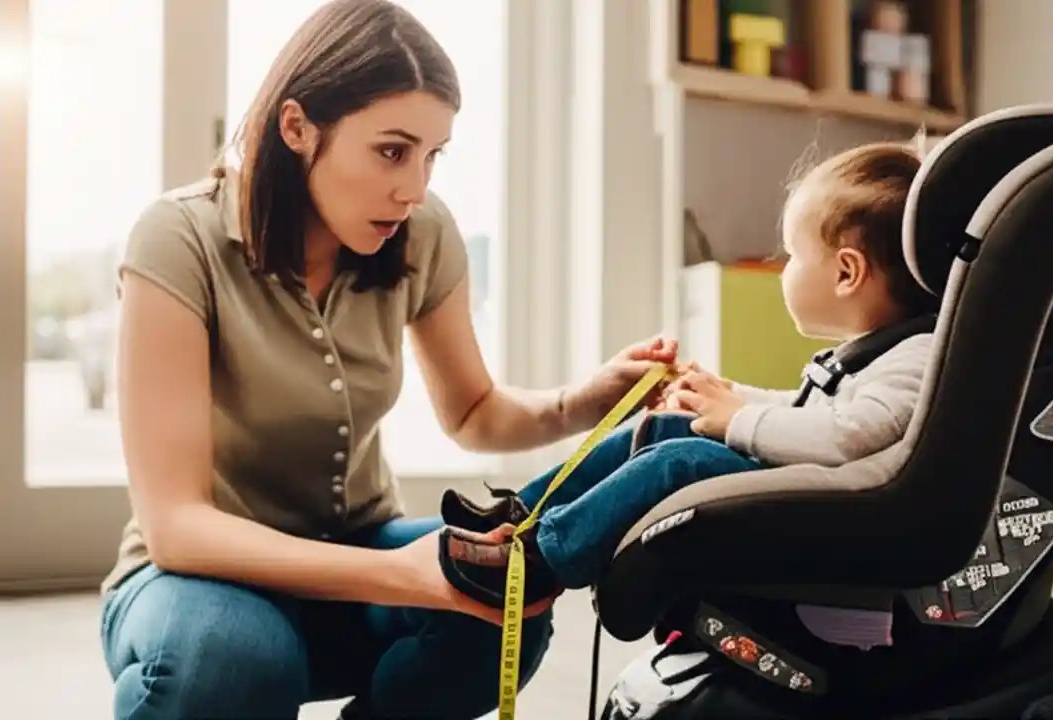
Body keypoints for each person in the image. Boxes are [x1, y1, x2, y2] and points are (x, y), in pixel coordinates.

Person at [97, 1, 679, 718]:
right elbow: (177, 527)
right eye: (392, 151)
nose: (414, 187)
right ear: (297, 128)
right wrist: (402, 575)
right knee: (231, 662)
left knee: (503, 603)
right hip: (197, 581)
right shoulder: (176, 239)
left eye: (432, 156)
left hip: (358, 554)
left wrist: (587, 400)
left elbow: (473, 412)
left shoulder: (422, 232)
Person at [439, 141, 941, 631]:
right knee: (664, 427)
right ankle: (521, 516)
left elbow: (847, 438)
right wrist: (725, 395)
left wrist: (737, 419)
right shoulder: (876, 351)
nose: (780, 269)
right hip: (804, 484)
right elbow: (808, 410)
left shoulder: (914, 359)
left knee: (678, 462)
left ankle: (540, 563)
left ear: (847, 272)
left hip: (825, 510)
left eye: (790, 255)